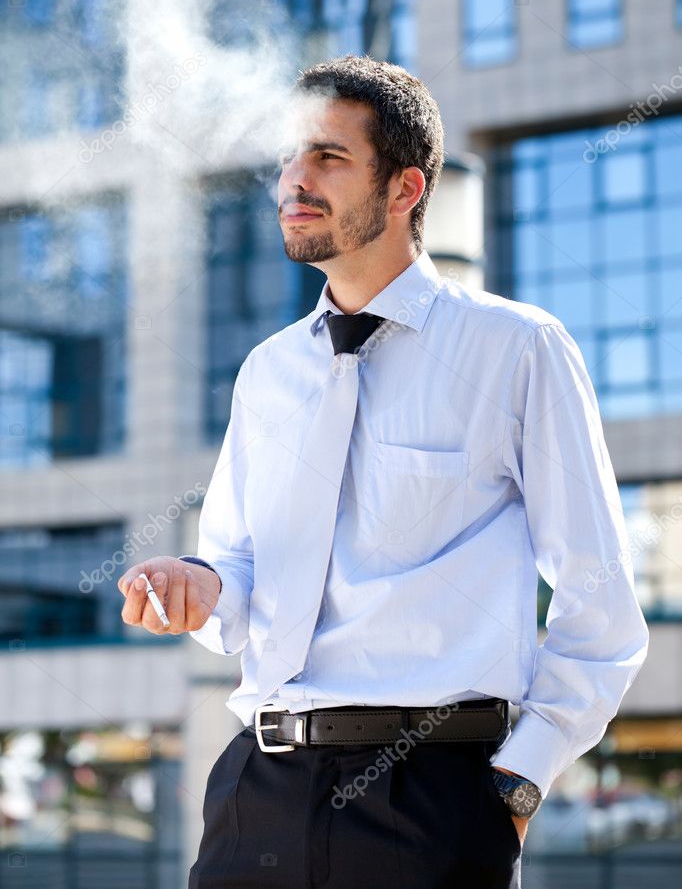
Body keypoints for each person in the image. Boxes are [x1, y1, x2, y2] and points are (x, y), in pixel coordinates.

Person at [118, 55, 649, 888]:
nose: (295, 180)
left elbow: (601, 598)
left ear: (405, 188)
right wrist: (197, 583)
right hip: (259, 789)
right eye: (288, 157)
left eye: (328, 156)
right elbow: (239, 568)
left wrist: (518, 781)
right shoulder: (267, 372)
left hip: (431, 797)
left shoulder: (516, 349)